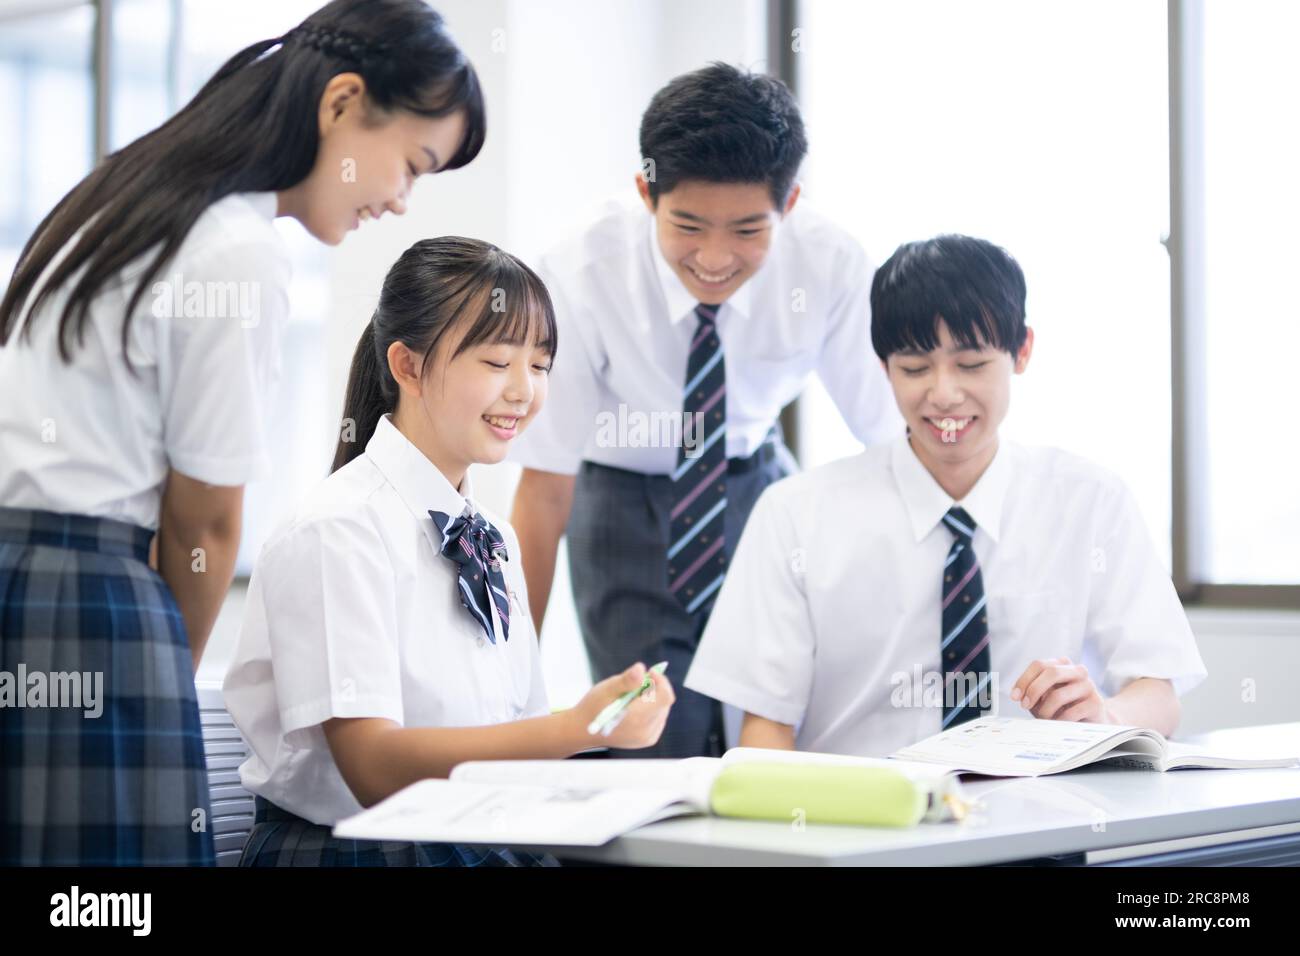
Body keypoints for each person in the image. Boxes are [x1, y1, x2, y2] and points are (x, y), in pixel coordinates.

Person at [0, 0, 485, 865]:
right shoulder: (237, 249)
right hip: (87, 598)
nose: (401, 201)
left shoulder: (122, 198)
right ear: (341, 103)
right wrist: (158, 685)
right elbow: (206, 527)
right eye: (411, 164)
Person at [224, 237, 674, 866]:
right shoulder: (338, 529)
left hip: (475, 840)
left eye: (540, 366)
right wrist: (580, 727)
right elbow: (373, 769)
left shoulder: (493, 535)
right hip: (357, 855)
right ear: (407, 366)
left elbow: (520, 736)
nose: (524, 391)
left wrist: (598, 734)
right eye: (496, 362)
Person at [509, 63, 900, 759]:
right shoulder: (579, 273)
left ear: (791, 203)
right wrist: (511, 690)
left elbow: (890, 441)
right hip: (621, 503)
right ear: (645, 194)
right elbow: (543, 489)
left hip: (761, 490)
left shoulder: (831, 265)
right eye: (688, 225)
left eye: (748, 230)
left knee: (775, 726)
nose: (715, 258)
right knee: (660, 740)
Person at [685, 234, 1206, 755]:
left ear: (1022, 350)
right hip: (860, 823)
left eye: (972, 364)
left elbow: (1159, 696)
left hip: (1043, 820)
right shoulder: (794, 515)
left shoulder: (1090, 501)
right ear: (882, 365)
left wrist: (1104, 716)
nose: (943, 394)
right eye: (914, 368)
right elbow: (765, 730)